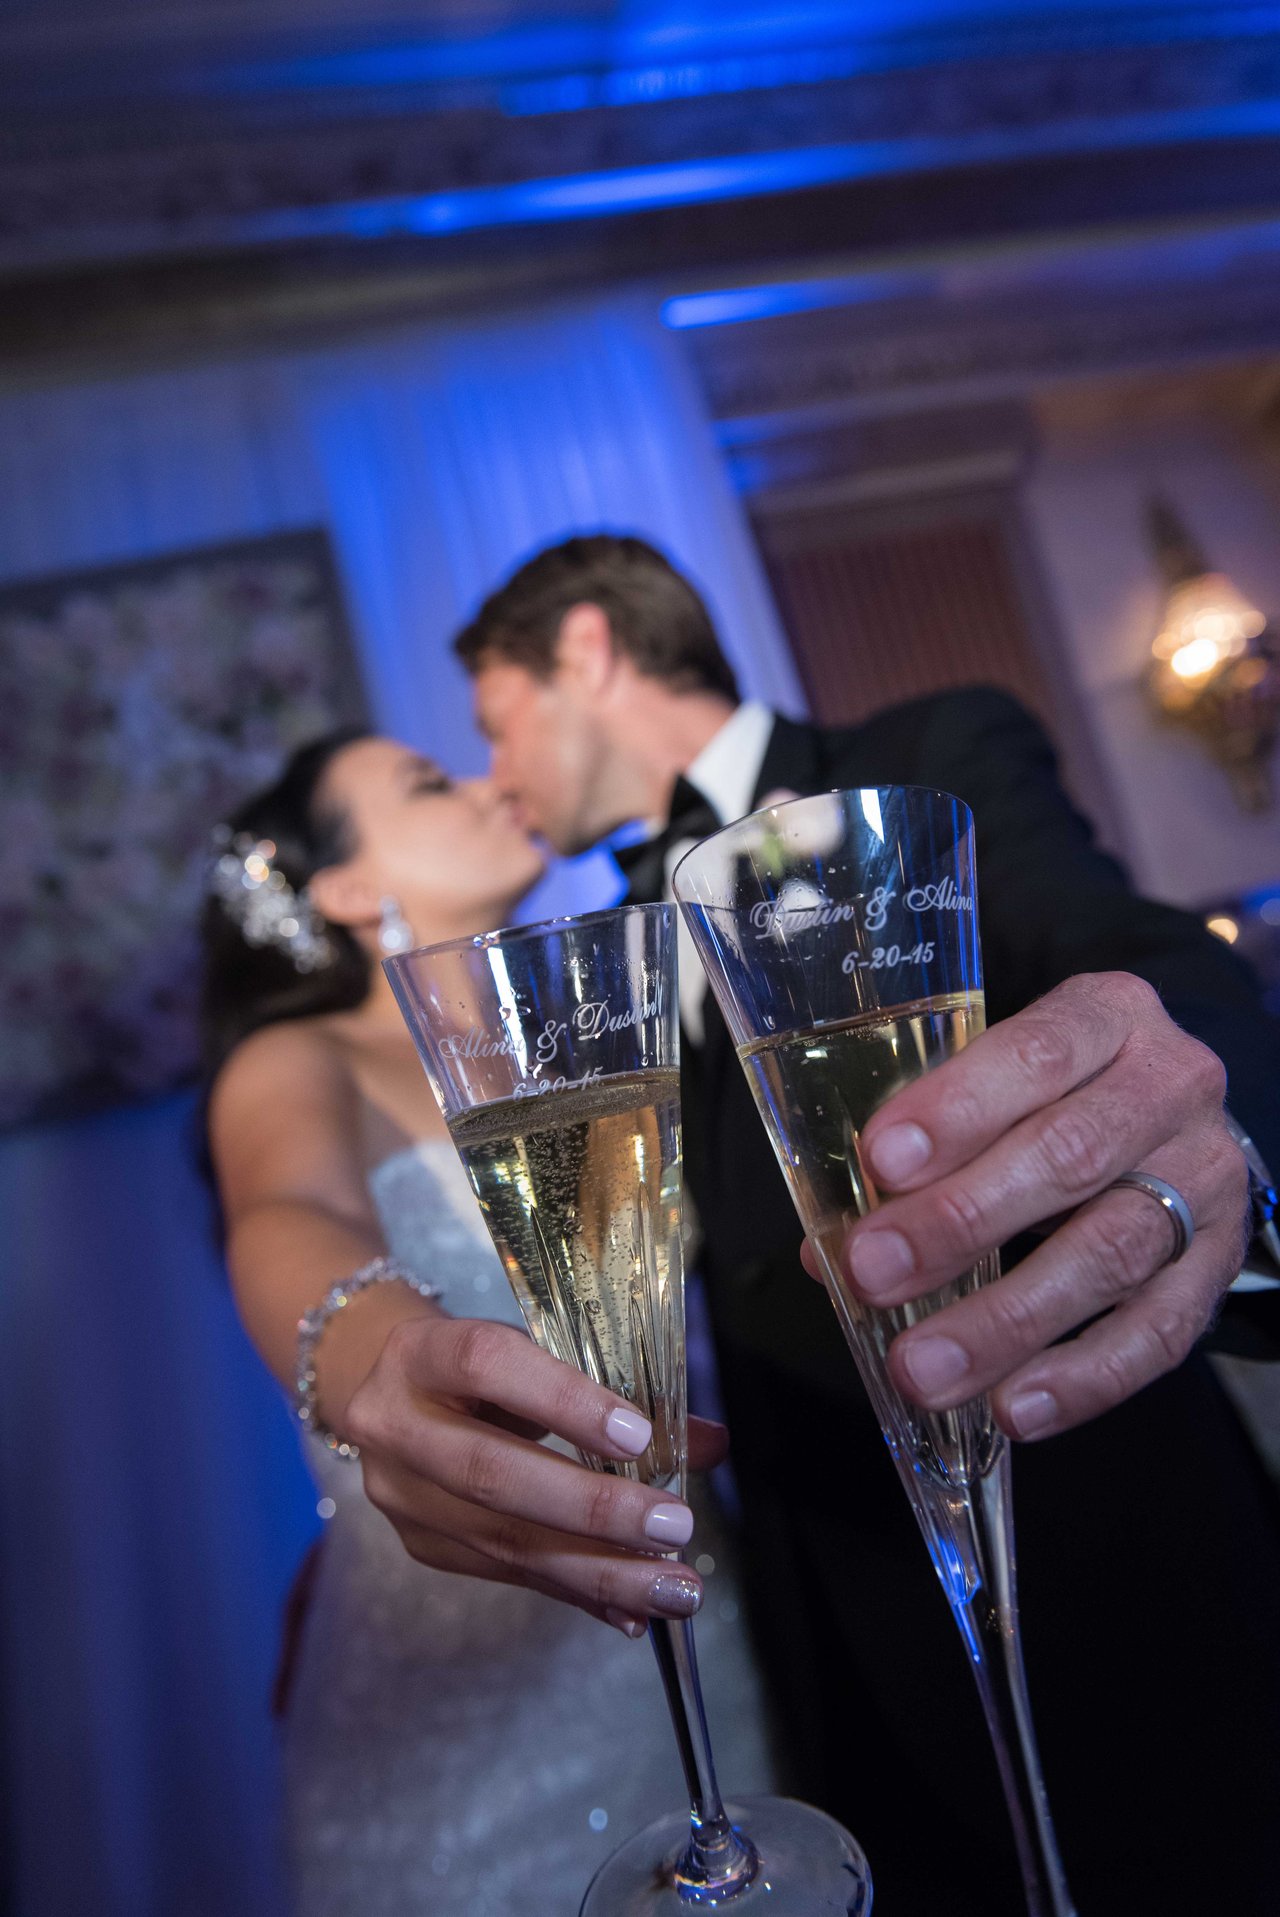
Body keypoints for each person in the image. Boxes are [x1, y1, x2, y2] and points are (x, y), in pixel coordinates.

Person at [446, 533, 1280, 1915]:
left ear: (585, 652)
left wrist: (1231, 1134)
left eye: (497, 723)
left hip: (1100, 1578)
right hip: (823, 1635)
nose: (497, 775)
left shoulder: (933, 743)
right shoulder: (612, 944)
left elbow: (1138, 955)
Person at [200, 729, 779, 1917]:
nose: (484, 782)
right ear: (348, 891)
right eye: (427, 783)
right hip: (461, 1735)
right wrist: (383, 1357)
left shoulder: (590, 1034)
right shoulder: (298, 1057)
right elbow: (285, 1212)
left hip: (702, 1634)